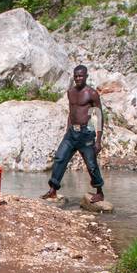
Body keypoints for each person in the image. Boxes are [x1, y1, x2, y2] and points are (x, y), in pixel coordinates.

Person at [42, 64, 106, 203]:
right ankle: (53, 189)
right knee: (60, 158)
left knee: (91, 164)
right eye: (76, 76)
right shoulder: (70, 92)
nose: (78, 78)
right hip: (71, 133)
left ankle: (99, 192)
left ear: (86, 76)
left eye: (81, 76)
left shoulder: (92, 93)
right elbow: (71, 113)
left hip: (86, 133)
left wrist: (98, 140)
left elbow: (99, 116)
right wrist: (67, 131)